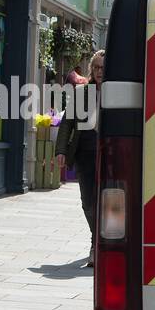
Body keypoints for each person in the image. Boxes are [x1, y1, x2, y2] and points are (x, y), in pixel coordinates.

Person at [55, 50, 104, 267]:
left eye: (103, 67)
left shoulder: (119, 90)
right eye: (96, 67)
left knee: (108, 201)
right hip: (85, 152)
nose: (99, 71)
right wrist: (61, 150)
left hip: (112, 154)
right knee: (88, 203)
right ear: (91, 69)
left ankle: (98, 244)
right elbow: (67, 122)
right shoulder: (82, 92)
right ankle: (98, 238)